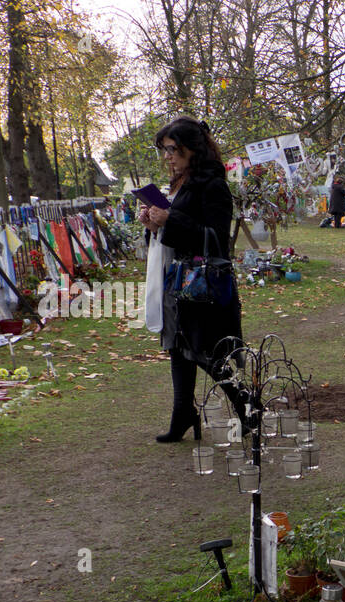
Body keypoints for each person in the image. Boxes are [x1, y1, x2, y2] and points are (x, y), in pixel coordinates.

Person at [139, 116, 243, 443]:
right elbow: (175, 232)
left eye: (173, 149)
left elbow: (215, 237)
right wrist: (154, 225)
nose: (167, 156)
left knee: (205, 352)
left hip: (201, 281)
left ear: (192, 149)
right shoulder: (178, 183)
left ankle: (249, 408)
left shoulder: (211, 183)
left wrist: (171, 218)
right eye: (164, 150)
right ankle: (182, 414)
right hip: (176, 276)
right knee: (178, 346)